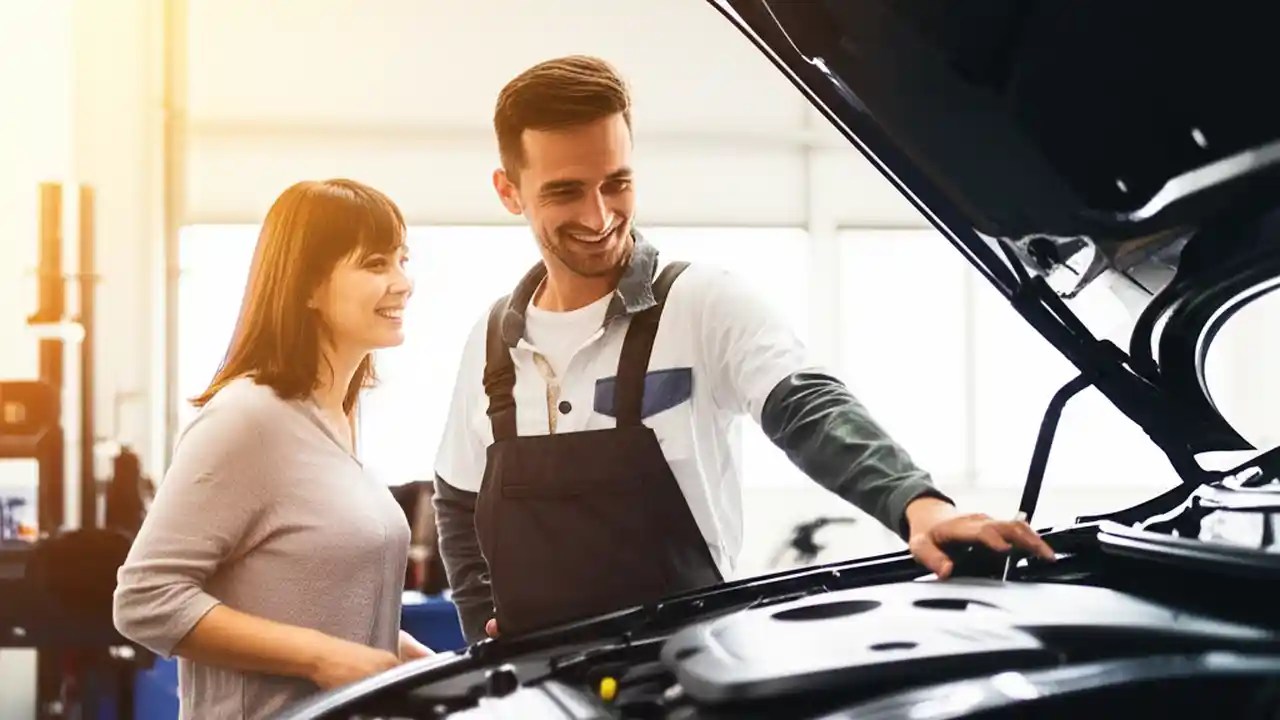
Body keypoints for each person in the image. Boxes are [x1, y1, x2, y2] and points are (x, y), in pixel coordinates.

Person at [432, 55, 1057, 644]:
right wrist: (483, 628)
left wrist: (916, 505)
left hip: (688, 673)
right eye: (565, 192)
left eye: (616, 183)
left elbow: (806, 405)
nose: (599, 216)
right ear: (509, 191)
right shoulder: (493, 344)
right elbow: (458, 500)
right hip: (541, 691)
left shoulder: (700, 302)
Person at [113, 179, 433, 720]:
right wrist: (323, 658)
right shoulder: (247, 419)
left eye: (403, 260)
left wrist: (409, 660)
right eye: (376, 264)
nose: (404, 283)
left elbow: (317, 603)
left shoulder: (338, 418)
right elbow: (146, 598)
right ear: (307, 285)